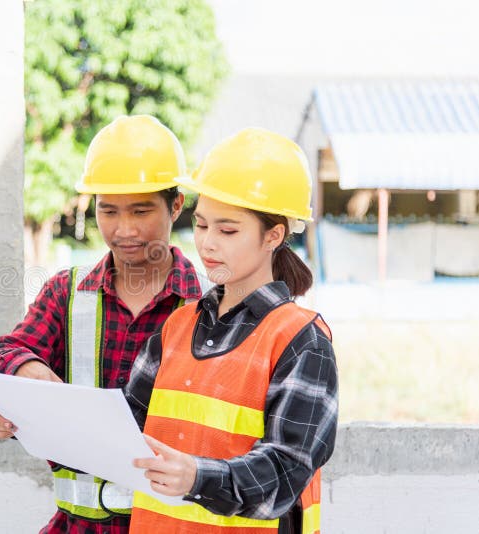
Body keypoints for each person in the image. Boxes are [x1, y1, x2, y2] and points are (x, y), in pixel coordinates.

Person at [0, 115, 211, 534]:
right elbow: (2, 354)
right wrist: (23, 379)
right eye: (108, 210)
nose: (124, 229)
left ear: (176, 205)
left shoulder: (213, 307)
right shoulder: (66, 293)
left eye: (141, 210)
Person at [125, 128, 338, 534]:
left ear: (273, 235)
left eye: (227, 231)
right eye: (201, 225)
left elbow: (285, 472)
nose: (207, 244)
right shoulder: (177, 327)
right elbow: (121, 431)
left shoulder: (302, 341)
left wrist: (196, 477)